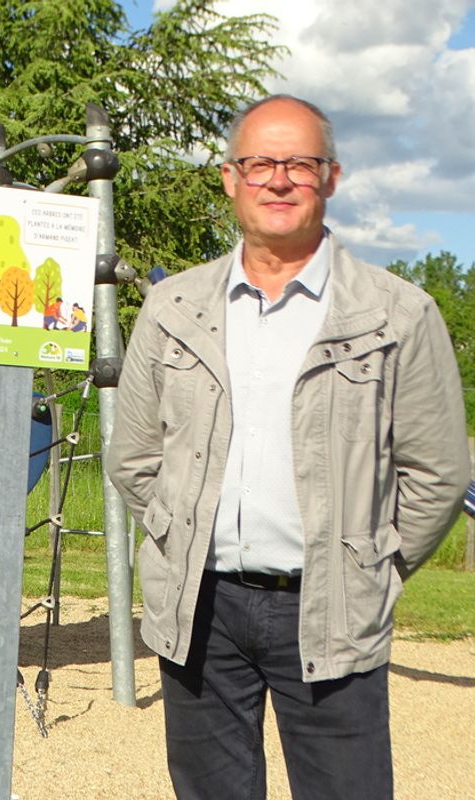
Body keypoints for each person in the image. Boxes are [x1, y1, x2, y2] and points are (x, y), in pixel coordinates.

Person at [106, 95, 469, 800]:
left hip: (330, 609)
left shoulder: (397, 313)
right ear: (229, 178)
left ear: (330, 178)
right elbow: (135, 456)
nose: (278, 180)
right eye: (260, 163)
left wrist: (374, 567)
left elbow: (438, 474)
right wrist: (180, 534)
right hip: (201, 608)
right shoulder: (174, 308)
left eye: (298, 164)